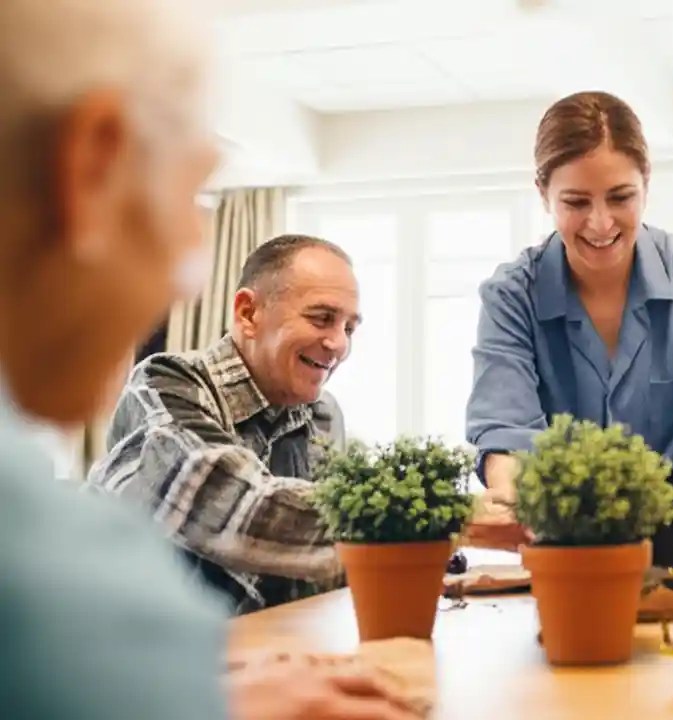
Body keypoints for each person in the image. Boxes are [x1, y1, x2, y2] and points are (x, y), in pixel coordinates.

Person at [0, 0, 415, 718]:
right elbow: (243, 511)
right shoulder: (166, 385)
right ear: (91, 165)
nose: (186, 273)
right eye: (189, 191)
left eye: (351, 325)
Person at [465, 91, 673, 544]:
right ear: (544, 195)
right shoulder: (512, 296)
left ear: (646, 186)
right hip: (564, 543)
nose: (600, 223)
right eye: (575, 202)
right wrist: (526, 505)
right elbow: (506, 434)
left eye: (620, 197)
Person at [87, 233, 359, 614]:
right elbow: (234, 506)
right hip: (139, 658)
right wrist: (427, 520)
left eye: (349, 328)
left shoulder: (324, 415)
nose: (339, 344)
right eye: (322, 319)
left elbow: (325, 565)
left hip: (270, 653)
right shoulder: (165, 384)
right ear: (248, 313)